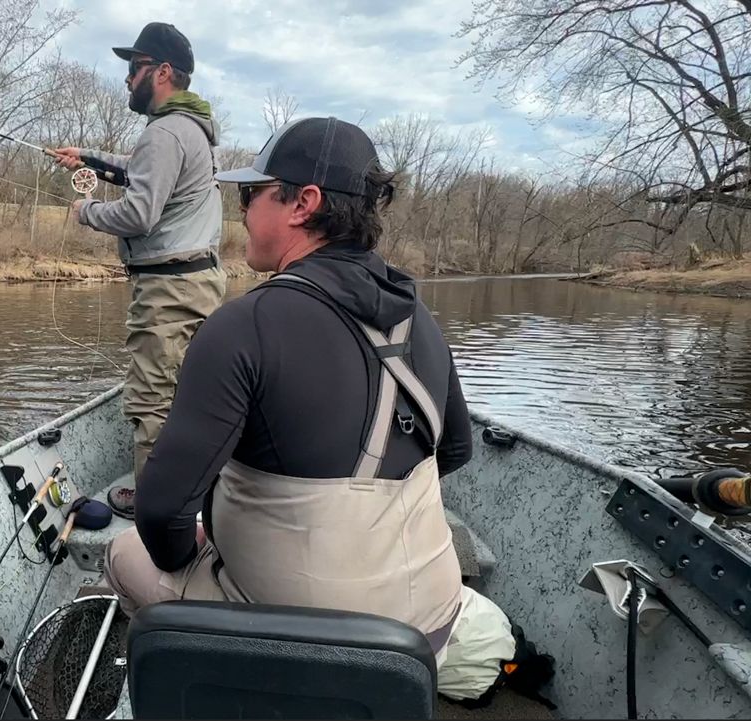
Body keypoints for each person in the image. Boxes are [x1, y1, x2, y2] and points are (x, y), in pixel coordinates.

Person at [100, 116, 520, 697]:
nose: (242, 212)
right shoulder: (420, 318)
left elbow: (161, 510)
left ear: (303, 203)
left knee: (124, 555)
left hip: (304, 640)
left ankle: (228, 692)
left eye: (252, 195)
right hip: (428, 629)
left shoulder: (240, 326)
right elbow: (455, 449)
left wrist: (193, 549)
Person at [50, 22, 226, 520]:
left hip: (168, 292)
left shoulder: (164, 132)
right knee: (189, 391)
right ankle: (194, 492)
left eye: (135, 68)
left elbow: (138, 213)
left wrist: (86, 212)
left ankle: (155, 507)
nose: (128, 80)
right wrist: (88, 159)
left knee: (152, 400)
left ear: (162, 72)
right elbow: (139, 169)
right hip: (198, 282)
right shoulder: (191, 129)